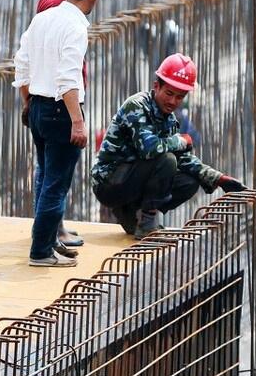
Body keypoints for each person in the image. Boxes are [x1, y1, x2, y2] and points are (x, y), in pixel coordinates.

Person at [13, 0, 108, 267]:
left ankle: (48, 241)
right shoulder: (75, 26)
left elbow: (22, 64)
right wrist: (77, 122)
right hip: (60, 112)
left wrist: (28, 103)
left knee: (46, 177)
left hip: (39, 107)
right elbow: (69, 78)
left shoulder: (43, 18)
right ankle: (41, 251)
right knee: (55, 184)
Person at [91, 53, 247, 238]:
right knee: (166, 160)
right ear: (156, 86)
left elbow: (184, 159)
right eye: (169, 93)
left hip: (131, 180)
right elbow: (149, 149)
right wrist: (180, 140)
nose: (173, 101)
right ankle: (147, 224)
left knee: (189, 182)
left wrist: (218, 178)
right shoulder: (137, 106)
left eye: (179, 97)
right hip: (109, 183)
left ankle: (132, 213)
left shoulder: (169, 119)